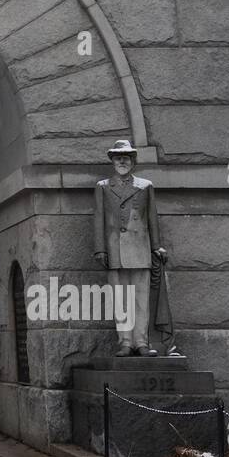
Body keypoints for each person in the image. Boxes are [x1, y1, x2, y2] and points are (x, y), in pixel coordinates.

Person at [92, 140, 161, 357]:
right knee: (120, 299)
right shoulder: (103, 187)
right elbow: (99, 219)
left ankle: (141, 342)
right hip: (114, 250)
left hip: (140, 248)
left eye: (126, 157)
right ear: (112, 161)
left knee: (141, 299)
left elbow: (152, 219)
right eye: (118, 157)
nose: (122, 161)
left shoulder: (145, 186)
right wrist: (100, 249)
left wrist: (156, 247)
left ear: (132, 161)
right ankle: (125, 341)